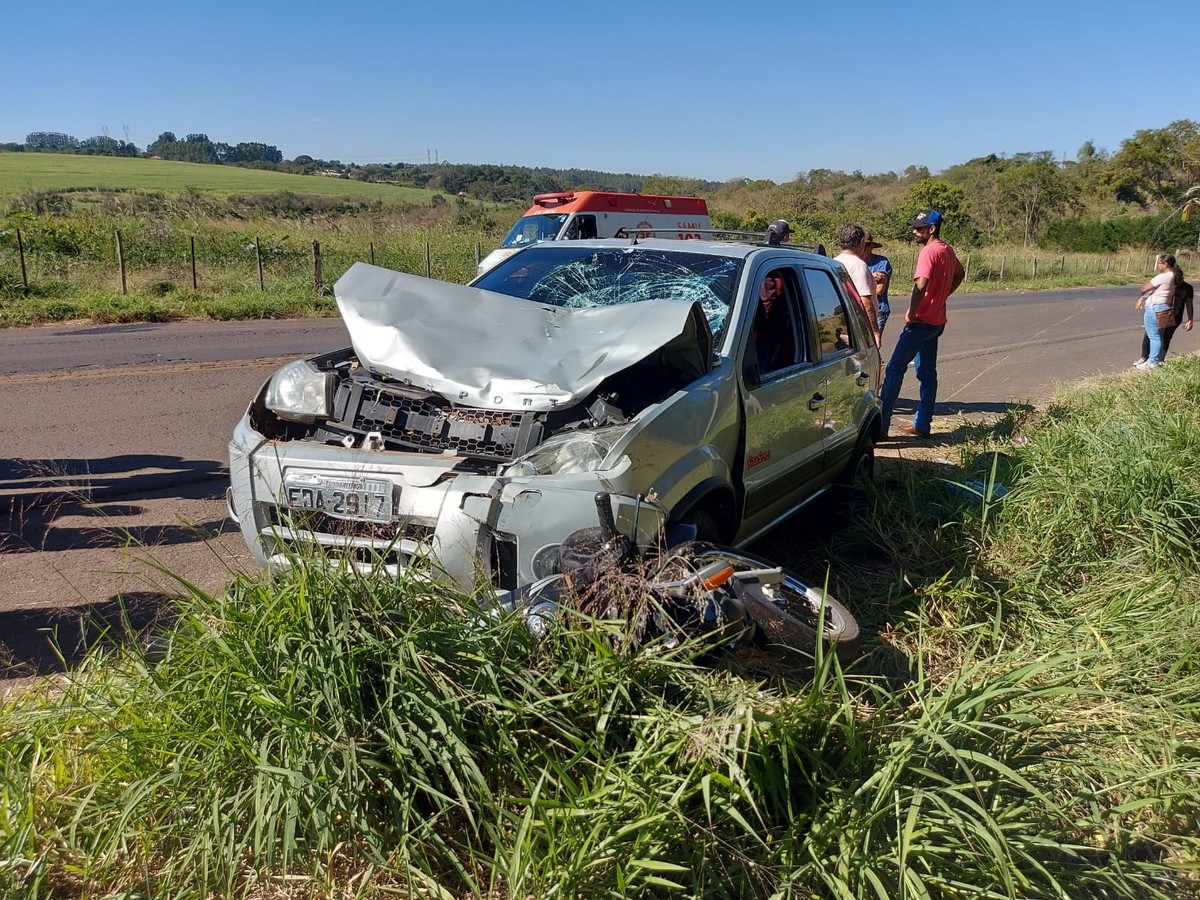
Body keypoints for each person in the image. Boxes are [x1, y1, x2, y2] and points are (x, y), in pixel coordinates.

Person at [879, 209, 965, 438]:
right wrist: (943, 295)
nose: (914, 231)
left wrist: (913, 313)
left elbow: (921, 285)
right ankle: (922, 424)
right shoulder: (946, 250)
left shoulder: (929, 252)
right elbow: (960, 273)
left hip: (921, 322)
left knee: (894, 369)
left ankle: (880, 427)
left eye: (919, 228)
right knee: (927, 373)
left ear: (932, 229)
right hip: (936, 322)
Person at [1134, 255, 1193, 366]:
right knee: (1154, 336)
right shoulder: (1172, 282)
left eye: (1159, 263)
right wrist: (1143, 297)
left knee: (1158, 337)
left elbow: (1189, 305)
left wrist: (1190, 319)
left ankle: (1155, 360)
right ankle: (1147, 358)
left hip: (1169, 313)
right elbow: (1152, 291)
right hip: (1167, 311)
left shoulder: (1171, 281)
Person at [834, 223, 880, 342]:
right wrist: (874, 331)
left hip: (842, 321)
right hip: (858, 326)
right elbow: (865, 302)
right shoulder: (858, 266)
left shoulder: (833, 262)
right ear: (861, 242)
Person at [863, 230, 892, 334]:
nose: (862, 248)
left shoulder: (881, 262)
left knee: (874, 342)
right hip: (859, 309)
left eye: (866, 245)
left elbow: (879, 290)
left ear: (871, 247)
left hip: (878, 310)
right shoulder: (855, 263)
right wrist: (871, 277)